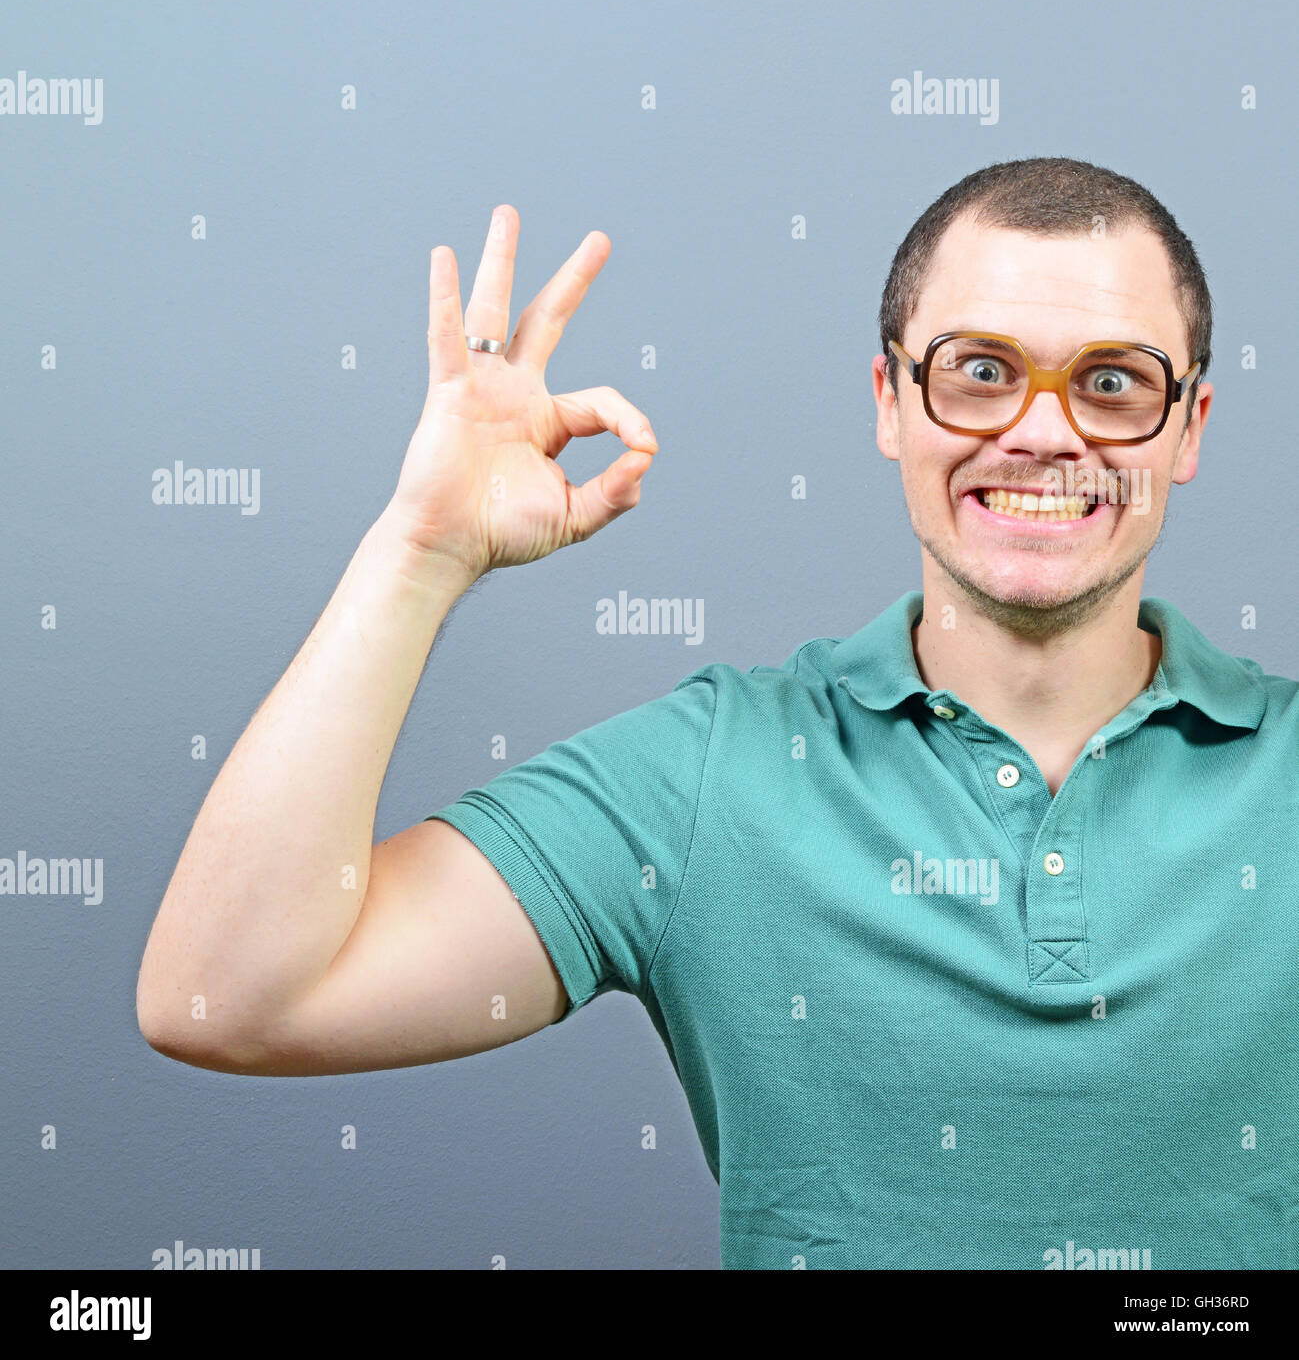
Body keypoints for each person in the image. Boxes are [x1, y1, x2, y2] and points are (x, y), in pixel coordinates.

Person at [137, 157, 1297, 1270]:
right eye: (980, 370)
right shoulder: (714, 772)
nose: (1043, 432)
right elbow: (229, 996)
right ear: (891, 400)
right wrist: (420, 554)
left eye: (1110, 383)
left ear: (1188, 428)